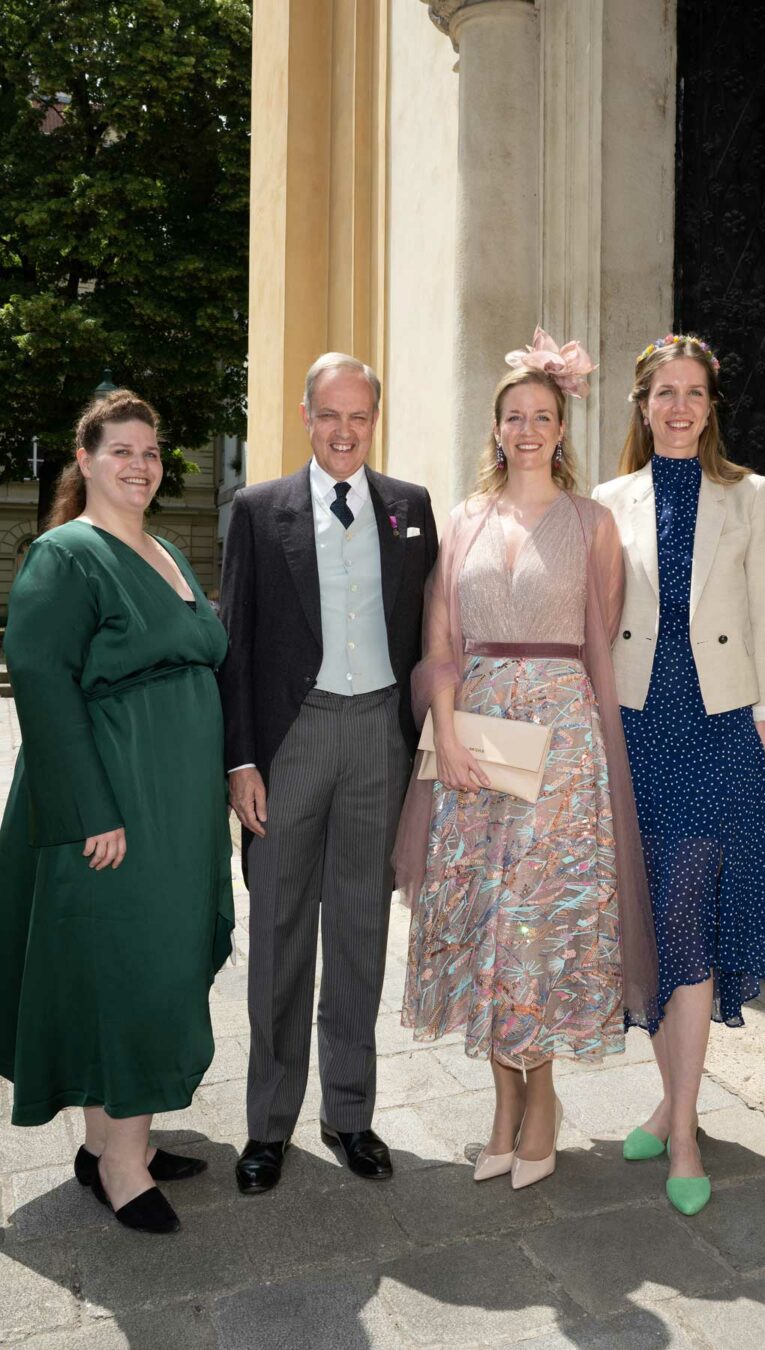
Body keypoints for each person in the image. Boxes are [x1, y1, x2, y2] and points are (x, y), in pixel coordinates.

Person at [0, 390, 234, 1235]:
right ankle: (117, 1164)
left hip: (178, 804)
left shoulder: (166, 551)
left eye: (151, 452)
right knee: (129, 968)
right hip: (113, 802)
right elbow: (39, 684)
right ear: (85, 461)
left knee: (159, 961)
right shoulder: (63, 555)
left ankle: (121, 1142)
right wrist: (90, 813)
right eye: (122, 451)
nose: (141, 465)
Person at [396, 329, 658, 1190]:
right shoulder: (464, 519)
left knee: (534, 926)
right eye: (515, 416)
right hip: (472, 741)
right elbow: (438, 636)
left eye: (543, 415)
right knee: (483, 922)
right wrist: (451, 731)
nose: (529, 429)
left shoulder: (593, 523)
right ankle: (502, 1107)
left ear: (561, 426)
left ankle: (537, 1102)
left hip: (562, 748)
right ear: (497, 427)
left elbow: (602, 634)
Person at [218, 352, 438, 1194]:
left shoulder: (410, 509)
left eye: (360, 417)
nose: (345, 432)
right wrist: (240, 758)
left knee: (358, 933)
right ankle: (269, 1126)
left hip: (379, 737)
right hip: (292, 743)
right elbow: (234, 646)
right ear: (306, 417)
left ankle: (350, 1116)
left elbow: (431, 629)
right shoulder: (257, 509)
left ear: (372, 421)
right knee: (276, 934)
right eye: (330, 415)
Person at [593, 334, 765, 1216]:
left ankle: (682, 1131)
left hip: (717, 729)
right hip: (636, 728)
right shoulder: (607, 502)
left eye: (694, 393)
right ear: (642, 406)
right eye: (664, 393)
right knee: (656, 921)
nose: (679, 406)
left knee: (690, 918)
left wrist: (763, 715)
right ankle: (674, 1101)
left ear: (712, 406)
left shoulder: (748, 496)